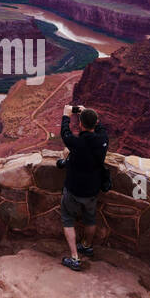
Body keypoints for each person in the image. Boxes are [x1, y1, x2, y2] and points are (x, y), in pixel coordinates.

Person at [58, 105, 108, 272]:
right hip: (93, 189)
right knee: (90, 219)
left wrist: (66, 116)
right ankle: (86, 245)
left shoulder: (76, 143)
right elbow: (98, 126)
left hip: (73, 188)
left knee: (67, 218)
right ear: (96, 123)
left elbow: (64, 133)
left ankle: (74, 258)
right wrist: (86, 113)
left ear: (80, 124)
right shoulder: (103, 138)